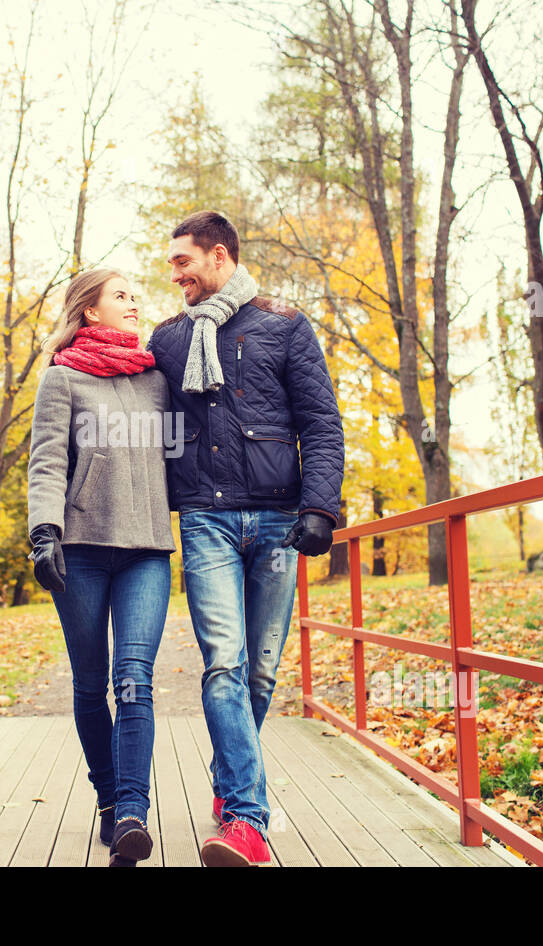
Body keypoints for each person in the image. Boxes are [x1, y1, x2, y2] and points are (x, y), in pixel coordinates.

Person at [146, 211, 345, 866]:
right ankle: (247, 821)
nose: (173, 274)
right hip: (205, 516)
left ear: (220, 256)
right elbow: (127, 394)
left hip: (279, 523)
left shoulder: (285, 326)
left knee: (260, 670)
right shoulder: (169, 340)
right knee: (225, 663)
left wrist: (320, 505)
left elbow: (319, 421)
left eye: (182, 261)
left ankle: (229, 779)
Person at [26, 268, 177, 867]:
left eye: (137, 295)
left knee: (134, 679)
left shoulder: (156, 379)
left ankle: (134, 812)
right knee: (91, 686)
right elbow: (45, 464)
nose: (135, 302)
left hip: (146, 550)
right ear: (90, 311)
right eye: (121, 295)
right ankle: (109, 799)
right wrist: (44, 532)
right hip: (81, 550)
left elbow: (186, 450)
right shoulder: (61, 379)